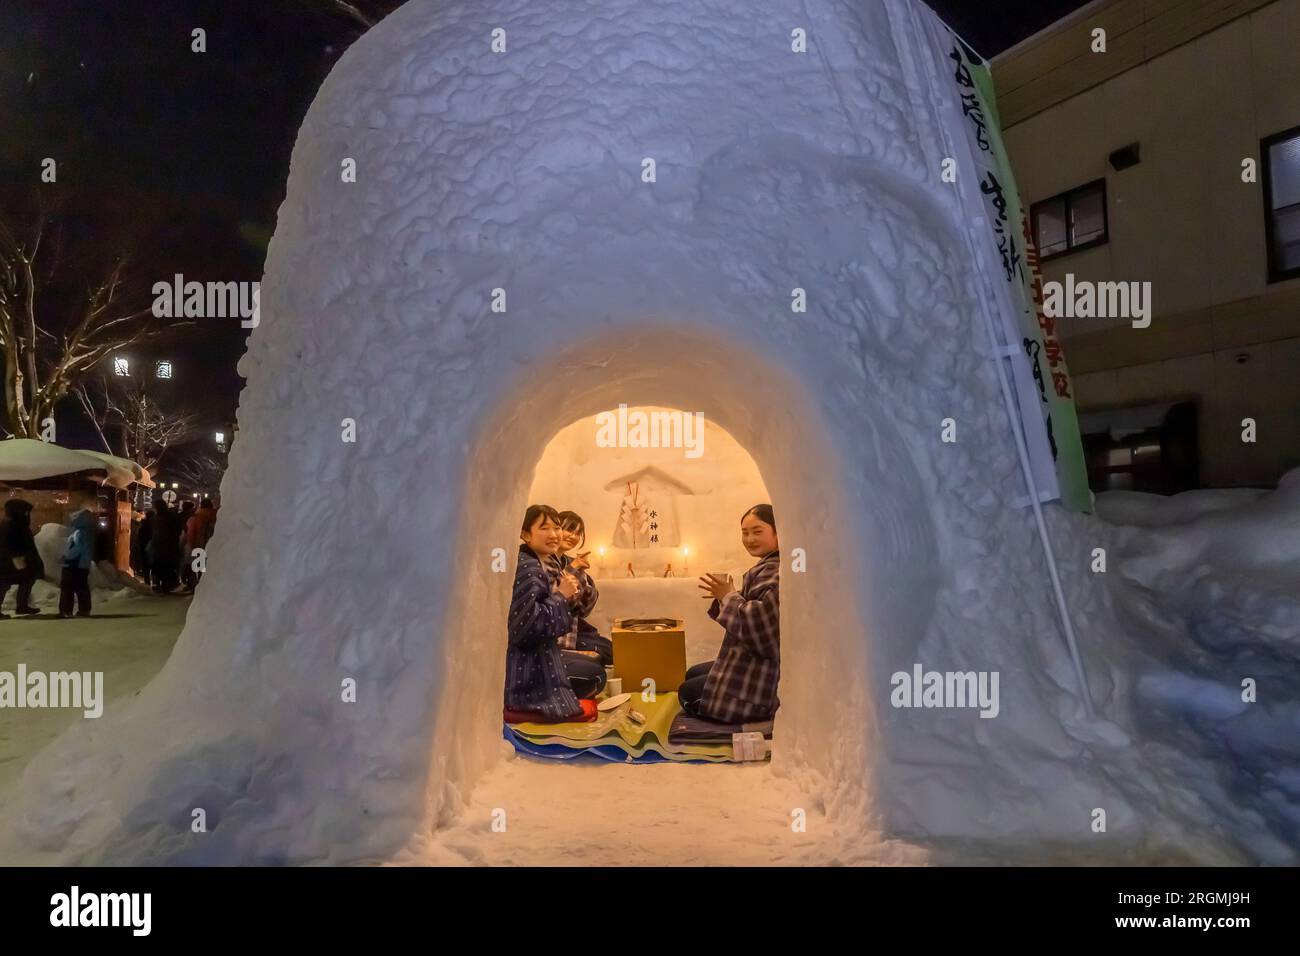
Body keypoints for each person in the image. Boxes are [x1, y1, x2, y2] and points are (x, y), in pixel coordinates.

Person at [678, 504, 780, 723]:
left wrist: (729, 596)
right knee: (693, 673)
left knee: (687, 692)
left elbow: (762, 633)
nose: (750, 539)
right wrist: (724, 596)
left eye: (757, 531)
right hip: (749, 660)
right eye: (745, 532)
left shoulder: (777, 571)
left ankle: (757, 716)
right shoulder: (766, 566)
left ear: (778, 532)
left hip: (761, 674)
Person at [504, 504, 606, 721]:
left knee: (599, 662)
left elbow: (581, 608)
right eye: (544, 528)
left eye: (557, 528)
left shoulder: (550, 562)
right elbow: (525, 629)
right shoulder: (529, 568)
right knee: (596, 676)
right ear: (524, 534)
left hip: (548, 649)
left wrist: (580, 581)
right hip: (526, 662)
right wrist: (561, 595)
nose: (555, 535)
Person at [552, 510, 613, 665]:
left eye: (578, 533)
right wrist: (574, 567)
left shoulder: (571, 562)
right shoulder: (544, 560)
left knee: (612, 650)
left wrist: (585, 580)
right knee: (597, 661)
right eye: (569, 530)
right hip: (556, 633)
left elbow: (583, 610)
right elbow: (554, 592)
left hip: (574, 628)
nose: (573, 536)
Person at [0, 499, 43, 617]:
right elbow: (11, 544)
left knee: (26, 581)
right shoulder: (10, 525)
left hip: (17, 561)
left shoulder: (17, 524)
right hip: (11, 562)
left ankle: (22, 606)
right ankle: (21, 606)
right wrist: (18, 558)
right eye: (25, 512)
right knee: (4, 584)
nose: (27, 515)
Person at [59, 494, 98, 619]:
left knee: (67, 587)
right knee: (82, 587)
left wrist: (66, 557)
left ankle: (66, 610)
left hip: (74, 563)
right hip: (83, 564)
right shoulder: (88, 531)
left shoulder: (80, 532)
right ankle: (84, 610)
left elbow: (77, 548)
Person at [182, 498, 217, 592]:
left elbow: (190, 534)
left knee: (195, 568)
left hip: (198, 546)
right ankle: (206, 586)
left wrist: (191, 546)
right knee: (206, 568)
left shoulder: (195, 518)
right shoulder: (217, 516)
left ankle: (195, 586)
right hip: (213, 547)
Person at [149, 500, 182, 593]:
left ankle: (160, 585)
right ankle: (166, 585)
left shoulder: (157, 518)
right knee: (166, 566)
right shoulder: (171, 517)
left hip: (161, 546)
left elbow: (154, 532)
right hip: (168, 546)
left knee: (159, 566)